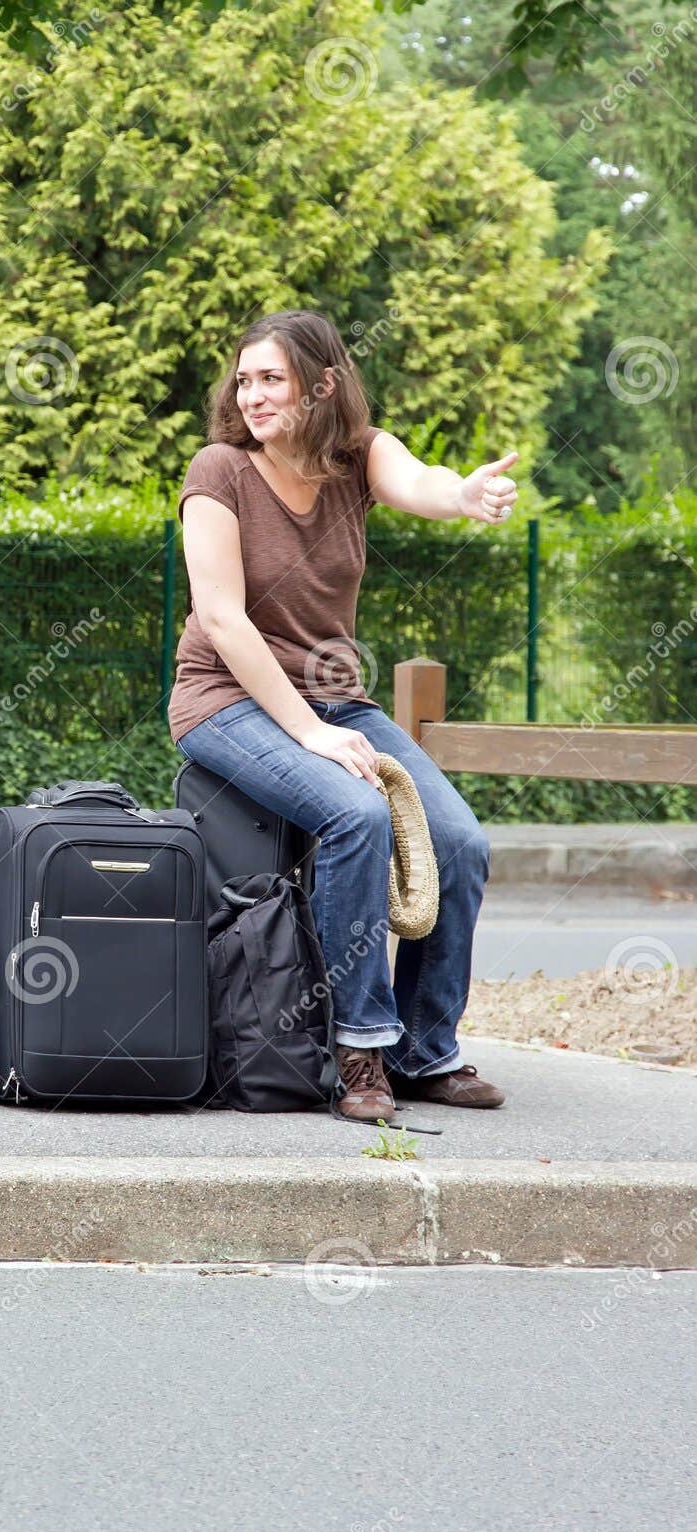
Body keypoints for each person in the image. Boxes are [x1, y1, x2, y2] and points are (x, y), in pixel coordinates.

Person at [170, 309, 518, 1123]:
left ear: (321, 384)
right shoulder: (218, 469)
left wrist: (463, 494)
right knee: (357, 815)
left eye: (272, 379)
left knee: (459, 841)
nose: (251, 394)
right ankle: (355, 1050)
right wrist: (311, 733)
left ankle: (425, 1051)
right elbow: (222, 619)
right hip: (225, 701)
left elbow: (420, 480)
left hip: (334, 699)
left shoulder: (358, 457)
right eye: (244, 379)